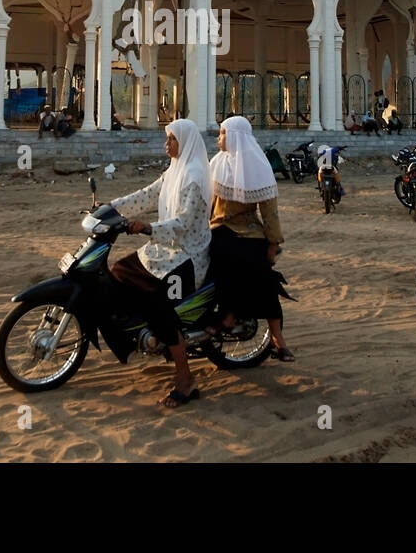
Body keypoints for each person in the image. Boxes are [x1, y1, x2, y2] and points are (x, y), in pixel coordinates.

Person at [105, 118, 211, 407]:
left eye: (171, 139)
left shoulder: (195, 176)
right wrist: (111, 208)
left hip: (187, 255)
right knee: (120, 269)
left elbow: (185, 223)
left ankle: (185, 377)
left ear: (185, 142)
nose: (167, 144)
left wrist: (148, 228)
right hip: (164, 249)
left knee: (156, 301)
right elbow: (148, 195)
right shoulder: (175, 170)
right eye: (167, 139)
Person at [207, 116, 293, 361]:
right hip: (219, 227)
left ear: (234, 137)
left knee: (264, 277)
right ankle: (226, 313)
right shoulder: (216, 164)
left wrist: (273, 242)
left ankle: (277, 338)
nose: (218, 138)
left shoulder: (258, 165)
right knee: (218, 256)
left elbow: (269, 210)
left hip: (250, 231)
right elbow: (207, 204)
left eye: (222, 133)